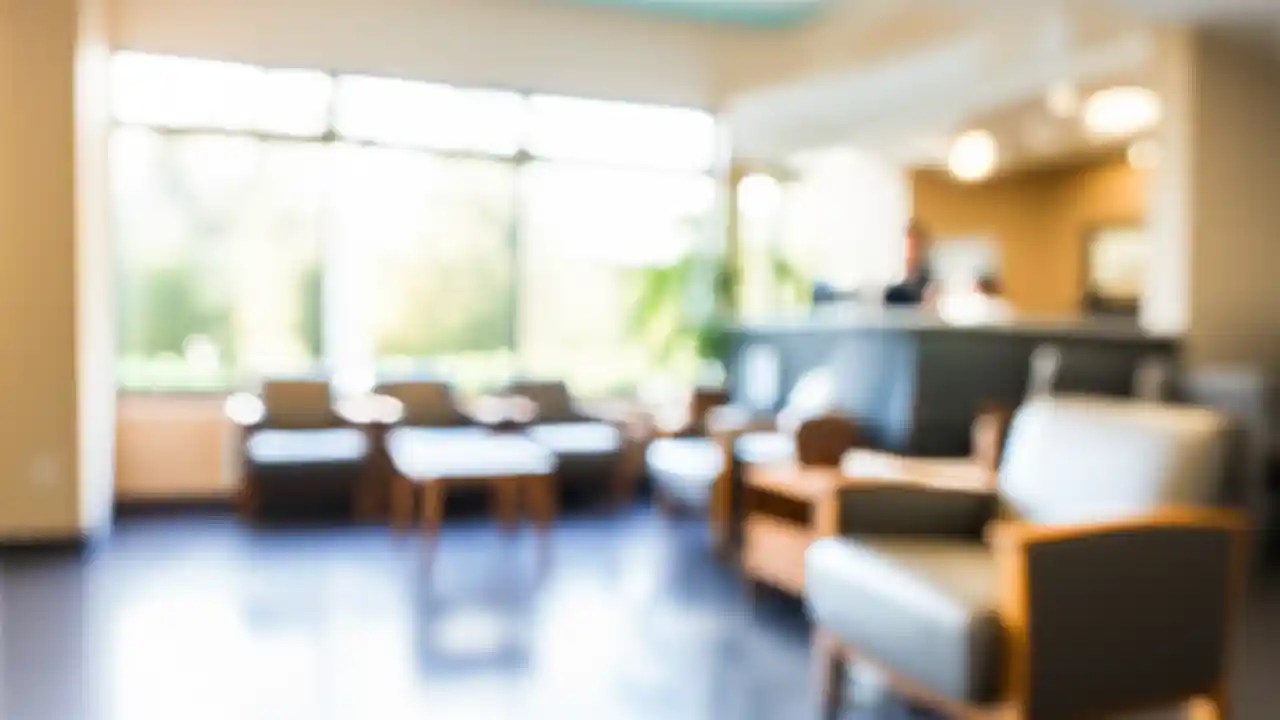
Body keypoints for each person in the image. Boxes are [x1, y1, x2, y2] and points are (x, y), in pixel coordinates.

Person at [883, 219, 934, 306]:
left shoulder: (931, 287)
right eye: (909, 246)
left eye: (915, 246)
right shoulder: (894, 284)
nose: (911, 252)